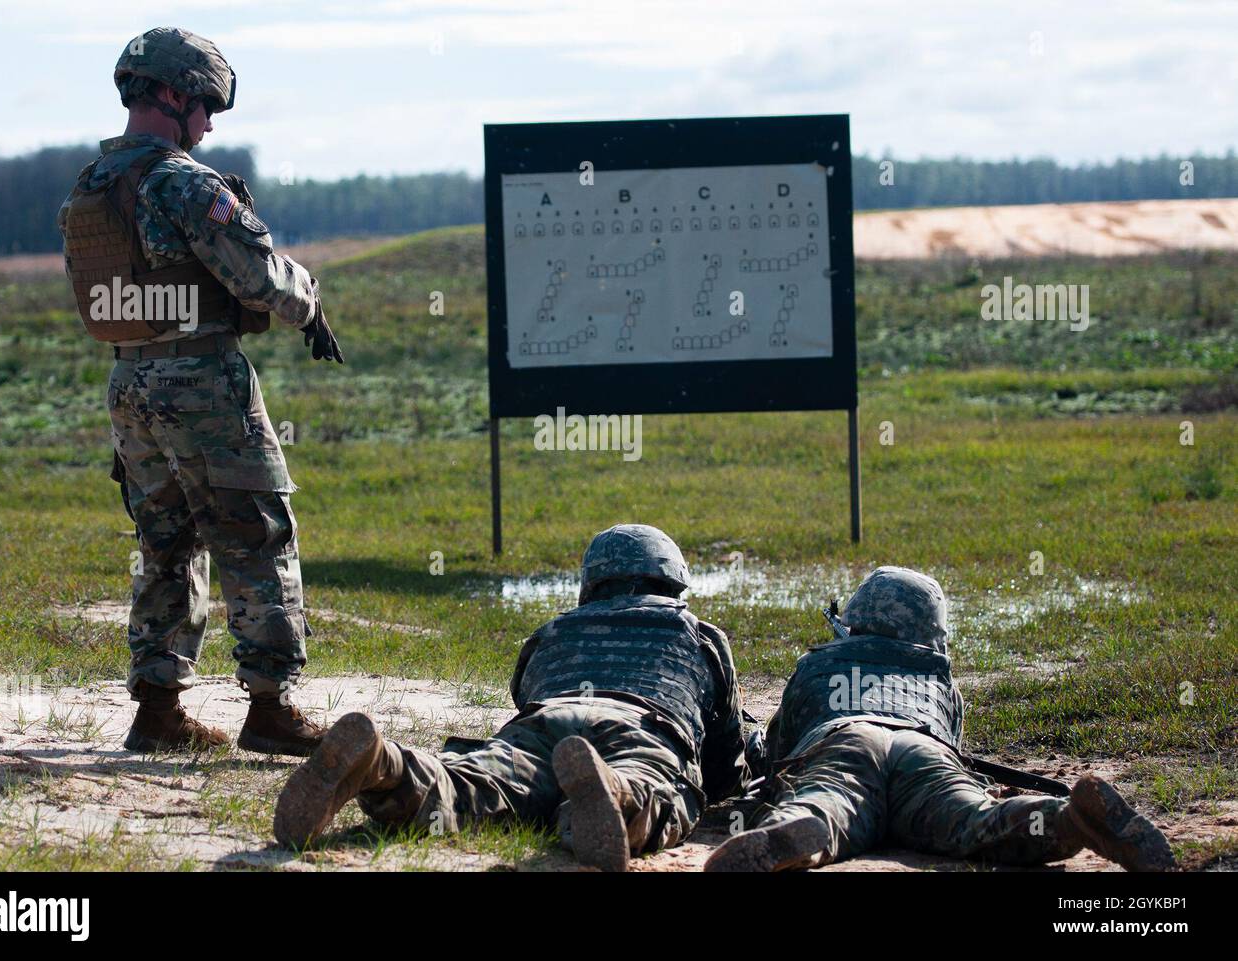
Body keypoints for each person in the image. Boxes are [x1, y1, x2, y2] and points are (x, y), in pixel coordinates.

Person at [59, 27, 344, 756]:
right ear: (171, 95)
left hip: (130, 381)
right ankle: (273, 706)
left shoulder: (92, 187)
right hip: (202, 383)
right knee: (257, 529)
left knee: (166, 539)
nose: (210, 123)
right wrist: (308, 300)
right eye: (205, 106)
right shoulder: (184, 182)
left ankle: (158, 709)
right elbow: (256, 277)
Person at [273, 524, 755, 871]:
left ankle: (385, 765)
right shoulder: (699, 634)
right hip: (641, 727)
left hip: (544, 722)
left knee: (471, 785)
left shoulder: (553, 631)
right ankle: (616, 793)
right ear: (672, 580)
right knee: (658, 793)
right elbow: (723, 761)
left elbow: (524, 695)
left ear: (591, 583)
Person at [705, 566, 1175, 873]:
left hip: (843, 743)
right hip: (923, 748)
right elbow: (952, 745)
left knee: (828, 804)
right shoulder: (939, 677)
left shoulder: (817, 665)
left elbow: (776, 755)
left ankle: (796, 830)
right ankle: (1070, 819)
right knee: (974, 818)